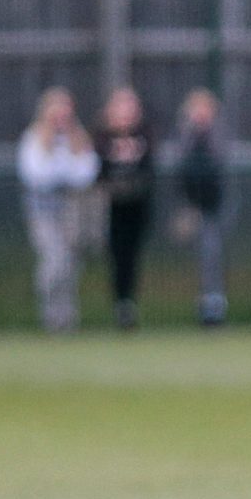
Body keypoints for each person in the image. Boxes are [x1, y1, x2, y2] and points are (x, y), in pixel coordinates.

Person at [17, 87, 99, 332]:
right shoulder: (33, 138)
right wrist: (63, 172)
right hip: (43, 211)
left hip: (72, 212)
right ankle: (50, 315)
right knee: (54, 261)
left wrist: (64, 172)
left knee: (71, 266)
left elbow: (86, 173)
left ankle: (67, 319)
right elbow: (36, 175)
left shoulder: (78, 138)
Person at [96, 86, 155, 329]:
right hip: (112, 207)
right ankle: (120, 304)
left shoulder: (145, 135)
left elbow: (148, 169)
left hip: (137, 207)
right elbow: (96, 171)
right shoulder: (101, 137)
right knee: (117, 256)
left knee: (132, 257)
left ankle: (129, 305)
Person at [174, 88, 229, 327]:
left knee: (212, 255)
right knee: (192, 257)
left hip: (214, 206)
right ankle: (186, 307)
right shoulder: (184, 136)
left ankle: (213, 308)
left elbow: (219, 159)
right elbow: (181, 163)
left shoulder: (219, 134)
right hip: (190, 205)